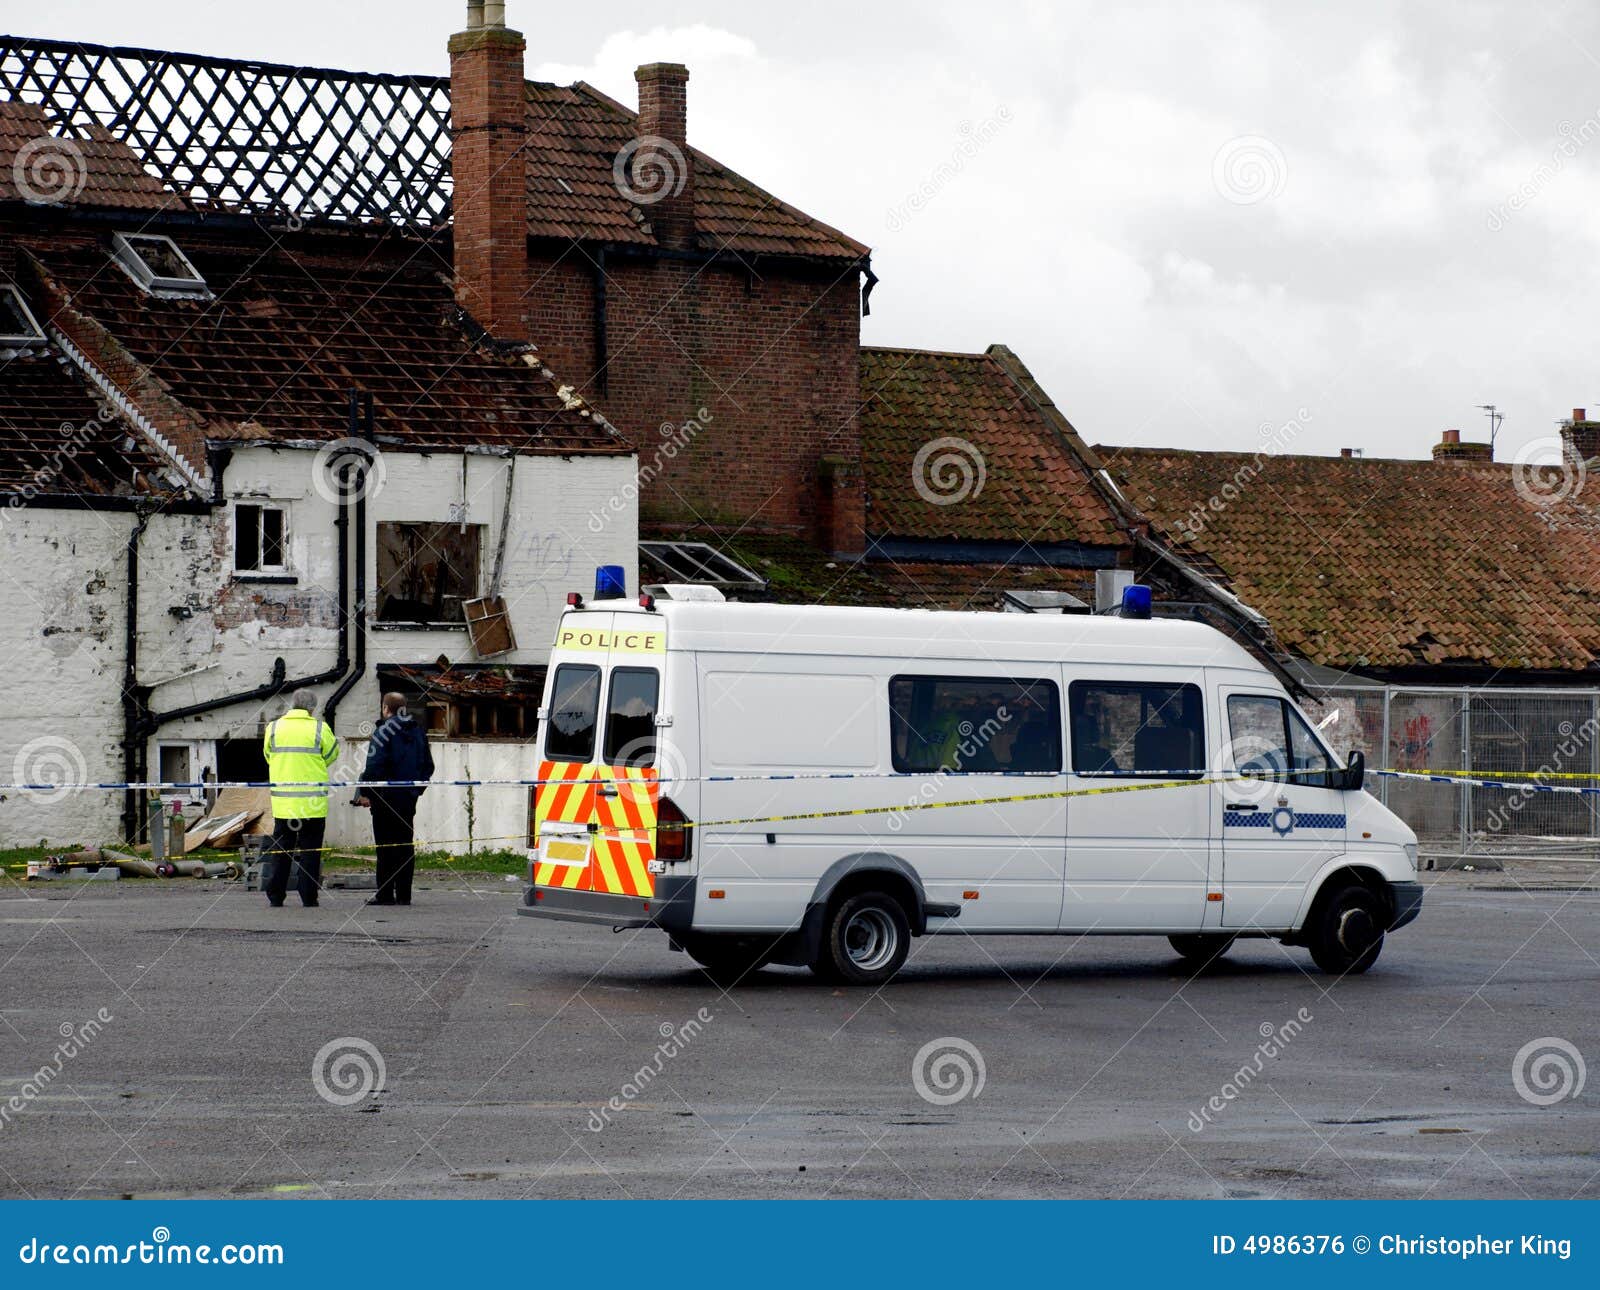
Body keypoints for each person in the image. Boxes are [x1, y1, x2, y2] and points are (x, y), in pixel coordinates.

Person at [355, 692, 434, 906]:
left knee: (385, 847)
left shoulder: (382, 732)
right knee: (405, 846)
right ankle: (404, 895)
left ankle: (385, 894)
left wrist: (365, 793)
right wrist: (415, 791)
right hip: (407, 800)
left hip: (384, 799)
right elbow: (428, 766)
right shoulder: (418, 732)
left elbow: (373, 767)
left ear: (385, 708)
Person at [262, 687, 338, 908]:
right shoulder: (320, 728)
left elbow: (268, 756)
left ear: (292, 705)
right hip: (312, 804)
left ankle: (275, 896)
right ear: (312, 708)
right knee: (310, 853)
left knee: (281, 851)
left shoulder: (274, 727)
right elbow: (332, 754)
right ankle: (308, 896)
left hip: (284, 803)